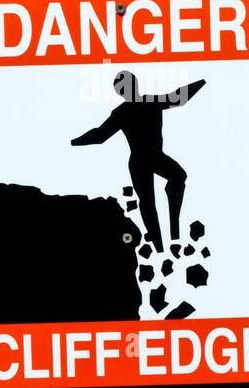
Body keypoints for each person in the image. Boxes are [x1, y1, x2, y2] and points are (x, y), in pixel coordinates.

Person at [71, 70, 205, 252]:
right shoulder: (125, 111)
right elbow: (99, 136)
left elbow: (179, 97)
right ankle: (160, 247)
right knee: (149, 201)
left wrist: (203, 80)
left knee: (177, 178)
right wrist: (73, 141)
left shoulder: (142, 104)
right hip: (140, 161)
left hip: (152, 157)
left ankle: (172, 234)